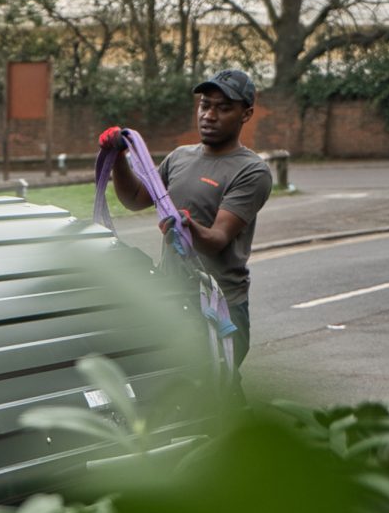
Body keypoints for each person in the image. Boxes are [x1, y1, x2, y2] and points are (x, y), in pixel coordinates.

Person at [99, 69, 273, 367]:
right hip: (170, 299)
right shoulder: (180, 157)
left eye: (224, 108)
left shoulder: (252, 171)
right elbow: (134, 199)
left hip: (218, 307)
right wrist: (117, 159)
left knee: (215, 393)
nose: (210, 115)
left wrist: (187, 226)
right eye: (205, 105)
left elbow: (217, 240)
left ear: (246, 114)